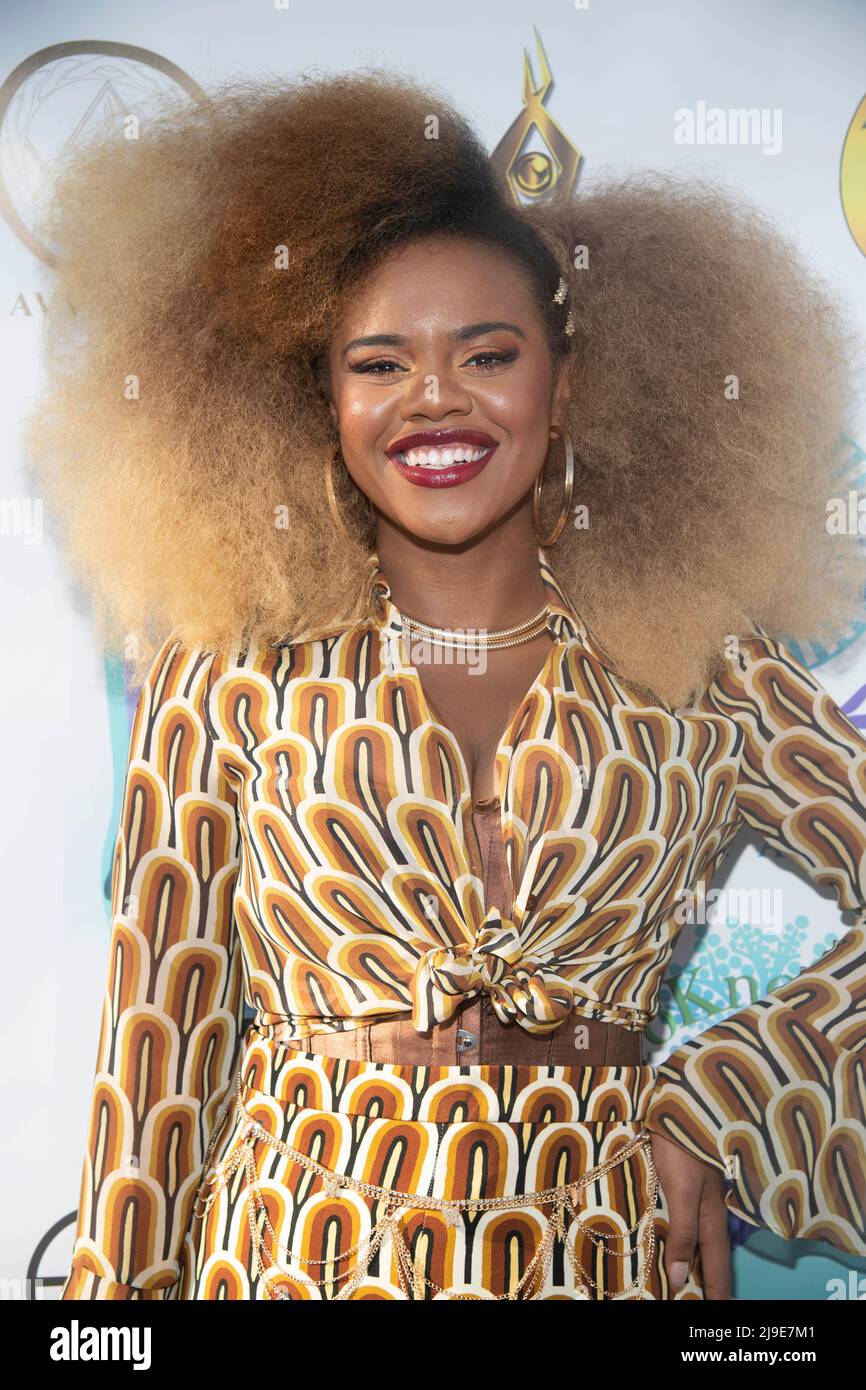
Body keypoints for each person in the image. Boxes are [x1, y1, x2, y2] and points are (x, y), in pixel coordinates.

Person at [29, 70, 866, 1301]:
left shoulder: (706, 662)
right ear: (321, 399)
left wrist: (733, 1092)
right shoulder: (225, 661)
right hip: (288, 1257)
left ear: (564, 381)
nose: (433, 399)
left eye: (486, 353)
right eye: (377, 363)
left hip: (607, 1252)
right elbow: (161, 1043)